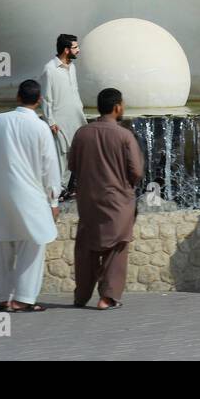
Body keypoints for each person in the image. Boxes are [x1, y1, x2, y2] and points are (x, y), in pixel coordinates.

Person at [0, 79, 61, 312]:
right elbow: (50, 166)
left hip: (1, 193)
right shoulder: (40, 127)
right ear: (39, 100)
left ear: (18, 97)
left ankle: (4, 297)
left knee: (3, 245)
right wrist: (54, 199)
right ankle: (24, 299)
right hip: (31, 195)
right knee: (33, 244)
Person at [69, 87, 143, 310]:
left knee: (87, 247)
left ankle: (81, 296)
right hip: (117, 200)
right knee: (116, 248)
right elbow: (137, 172)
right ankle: (107, 297)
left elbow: (72, 165)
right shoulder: (124, 136)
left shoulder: (82, 133)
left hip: (88, 199)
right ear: (117, 107)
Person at [42, 33, 87, 186]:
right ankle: (59, 192)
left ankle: (71, 188)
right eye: (75, 47)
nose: (78, 50)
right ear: (66, 50)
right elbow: (46, 98)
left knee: (78, 154)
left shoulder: (72, 67)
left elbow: (75, 91)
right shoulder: (49, 70)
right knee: (62, 157)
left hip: (77, 119)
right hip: (59, 123)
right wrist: (50, 121)